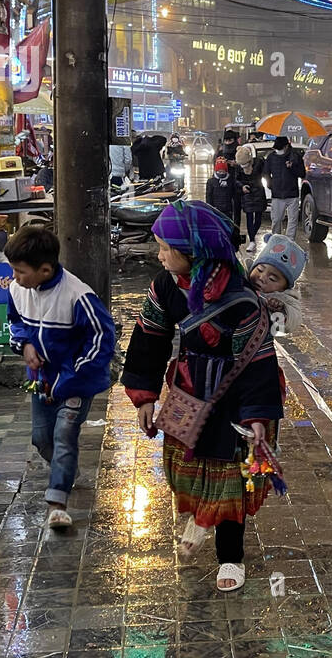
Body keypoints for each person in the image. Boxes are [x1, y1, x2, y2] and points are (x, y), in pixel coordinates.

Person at [121, 200, 285, 593]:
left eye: (165, 249)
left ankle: (231, 556)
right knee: (189, 472)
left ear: (194, 253)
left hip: (236, 398)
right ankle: (199, 517)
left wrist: (257, 417)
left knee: (232, 478)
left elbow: (258, 361)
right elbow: (149, 338)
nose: (158, 256)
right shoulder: (164, 287)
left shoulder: (240, 297)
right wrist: (145, 396)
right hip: (189, 393)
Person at [4, 225, 116, 528]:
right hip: (39, 379)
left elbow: (102, 341)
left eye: (19, 271)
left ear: (45, 269)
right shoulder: (18, 290)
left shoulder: (78, 296)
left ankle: (57, 502)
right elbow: (15, 324)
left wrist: (68, 379)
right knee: (42, 437)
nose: (14, 278)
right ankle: (65, 470)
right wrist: (25, 345)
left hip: (76, 381)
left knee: (64, 434)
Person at [245, 233, 306, 337]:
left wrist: (279, 311)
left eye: (272, 279)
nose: (262, 278)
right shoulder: (240, 278)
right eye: (260, 269)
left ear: (284, 288)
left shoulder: (285, 300)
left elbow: (293, 321)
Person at [265, 135, 305, 239]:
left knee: (293, 220)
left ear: (286, 146)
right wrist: (271, 185)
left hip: (292, 194)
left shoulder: (295, 156)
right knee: (276, 219)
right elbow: (265, 173)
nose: (279, 151)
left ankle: (290, 241)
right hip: (277, 194)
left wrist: (292, 167)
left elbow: (302, 173)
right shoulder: (271, 158)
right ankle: (276, 239)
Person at [235, 149, 267, 250]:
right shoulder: (239, 168)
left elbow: (266, 172)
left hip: (259, 193)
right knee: (249, 217)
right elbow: (236, 180)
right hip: (247, 194)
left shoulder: (259, 163)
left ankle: (252, 237)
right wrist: (242, 186)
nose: (244, 167)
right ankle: (252, 241)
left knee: (258, 219)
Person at [206, 155, 240, 222]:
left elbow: (234, 195)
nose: (221, 173)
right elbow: (209, 196)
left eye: (223, 171)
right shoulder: (211, 181)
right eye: (219, 171)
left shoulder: (230, 180)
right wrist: (210, 208)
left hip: (228, 209)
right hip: (216, 209)